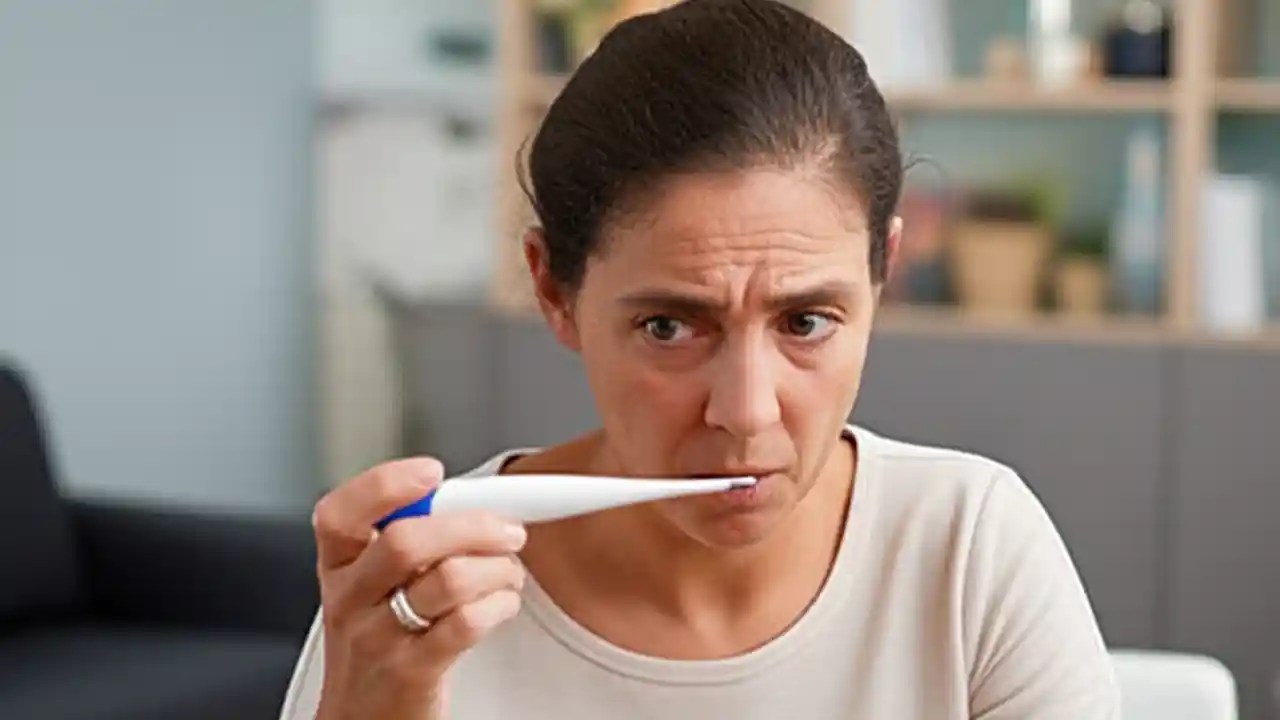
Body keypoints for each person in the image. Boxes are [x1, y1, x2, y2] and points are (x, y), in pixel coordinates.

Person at [279, 1, 1121, 717]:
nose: (746, 411)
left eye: (806, 322)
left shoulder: (970, 549)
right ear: (554, 290)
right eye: (669, 328)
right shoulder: (416, 607)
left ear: (882, 274)